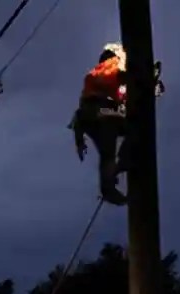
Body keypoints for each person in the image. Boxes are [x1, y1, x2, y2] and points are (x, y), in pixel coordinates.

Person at [69, 44, 129, 206]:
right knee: (135, 130)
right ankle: (122, 163)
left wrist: (79, 139)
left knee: (107, 153)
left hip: (87, 116)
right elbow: (120, 81)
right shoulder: (112, 65)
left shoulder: (93, 74)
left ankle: (110, 182)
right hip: (100, 113)